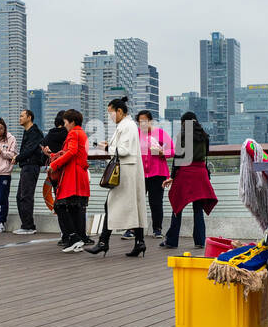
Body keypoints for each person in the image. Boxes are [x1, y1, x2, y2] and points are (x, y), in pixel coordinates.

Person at [85, 96, 147, 258]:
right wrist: (109, 146)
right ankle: (139, 242)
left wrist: (108, 148)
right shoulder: (128, 125)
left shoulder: (127, 126)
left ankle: (104, 242)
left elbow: (124, 150)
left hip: (125, 173)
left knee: (110, 205)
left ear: (119, 111)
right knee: (133, 206)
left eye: (111, 113)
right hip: (128, 172)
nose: (110, 117)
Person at [160, 111, 218, 249]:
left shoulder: (183, 136)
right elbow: (205, 156)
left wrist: (172, 176)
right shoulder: (205, 136)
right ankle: (199, 241)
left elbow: (178, 159)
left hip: (186, 173)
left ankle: (171, 241)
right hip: (200, 173)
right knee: (198, 209)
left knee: (177, 206)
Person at [48, 109, 90, 252]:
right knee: (75, 207)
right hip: (80, 174)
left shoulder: (73, 133)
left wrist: (54, 164)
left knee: (60, 206)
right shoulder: (82, 133)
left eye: (66, 122)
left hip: (72, 175)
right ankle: (77, 238)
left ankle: (73, 237)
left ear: (72, 121)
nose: (64, 125)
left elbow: (71, 152)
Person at [136, 109, 174, 237]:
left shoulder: (160, 133)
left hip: (157, 173)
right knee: (136, 202)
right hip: (140, 174)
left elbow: (173, 150)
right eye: (140, 121)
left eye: (145, 121)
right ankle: (133, 229)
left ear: (150, 121)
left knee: (156, 202)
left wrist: (162, 152)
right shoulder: (136, 134)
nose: (143, 124)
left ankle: (157, 229)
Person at [39, 111, 70, 246]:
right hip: (67, 172)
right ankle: (72, 233)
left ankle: (64, 234)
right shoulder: (69, 134)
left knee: (58, 201)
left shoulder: (49, 135)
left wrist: (47, 152)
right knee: (71, 204)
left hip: (54, 173)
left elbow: (42, 146)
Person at [12, 109, 44, 235]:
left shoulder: (35, 132)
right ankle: (26, 225)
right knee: (20, 196)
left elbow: (30, 150)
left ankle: (29, 226)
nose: (19, 118)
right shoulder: (27, 132)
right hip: (26, 166)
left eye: (22, 116)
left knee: (26, 196)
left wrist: (17, 157)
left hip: (31, 166)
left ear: (29, 117)